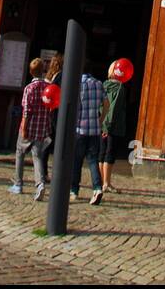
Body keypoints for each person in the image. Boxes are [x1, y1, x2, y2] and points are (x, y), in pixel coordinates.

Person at [10, 57, 52, 201]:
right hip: (41, 127)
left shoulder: (30, 88)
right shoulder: (48, 87)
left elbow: (26, 111)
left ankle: (18, 183)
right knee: (37, 156)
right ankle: (40, 184)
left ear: (30, 72)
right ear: (43, 71)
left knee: (20, 152)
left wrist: (24, 127)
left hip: (30, 126)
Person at [71, 67, 105, 205]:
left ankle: (74, 190)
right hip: (94, 129)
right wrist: (101, 119)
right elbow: (106, 104)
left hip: (80, 128)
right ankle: (97, 188)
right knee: (93, 161)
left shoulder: (78, 84)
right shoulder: (98, 84)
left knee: (76, 161)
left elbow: (75, 106)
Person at [100, 61, 128, 193]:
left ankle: (100, 181)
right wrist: (109, 127)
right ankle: (106, 183)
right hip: (113, 126)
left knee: (102, 152)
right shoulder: (120, 87)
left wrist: (101, 123)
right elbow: (114, 108)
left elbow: (101, 105)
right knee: (109, 154)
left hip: (101, 123)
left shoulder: (104, 85)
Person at [41, 53, 63, 185]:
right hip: (54, 114)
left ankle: (43, 172)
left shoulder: (49, 76)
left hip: (48, 113)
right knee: (51, 143)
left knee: (47, 143)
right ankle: (45, 173)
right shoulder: (59, 77)